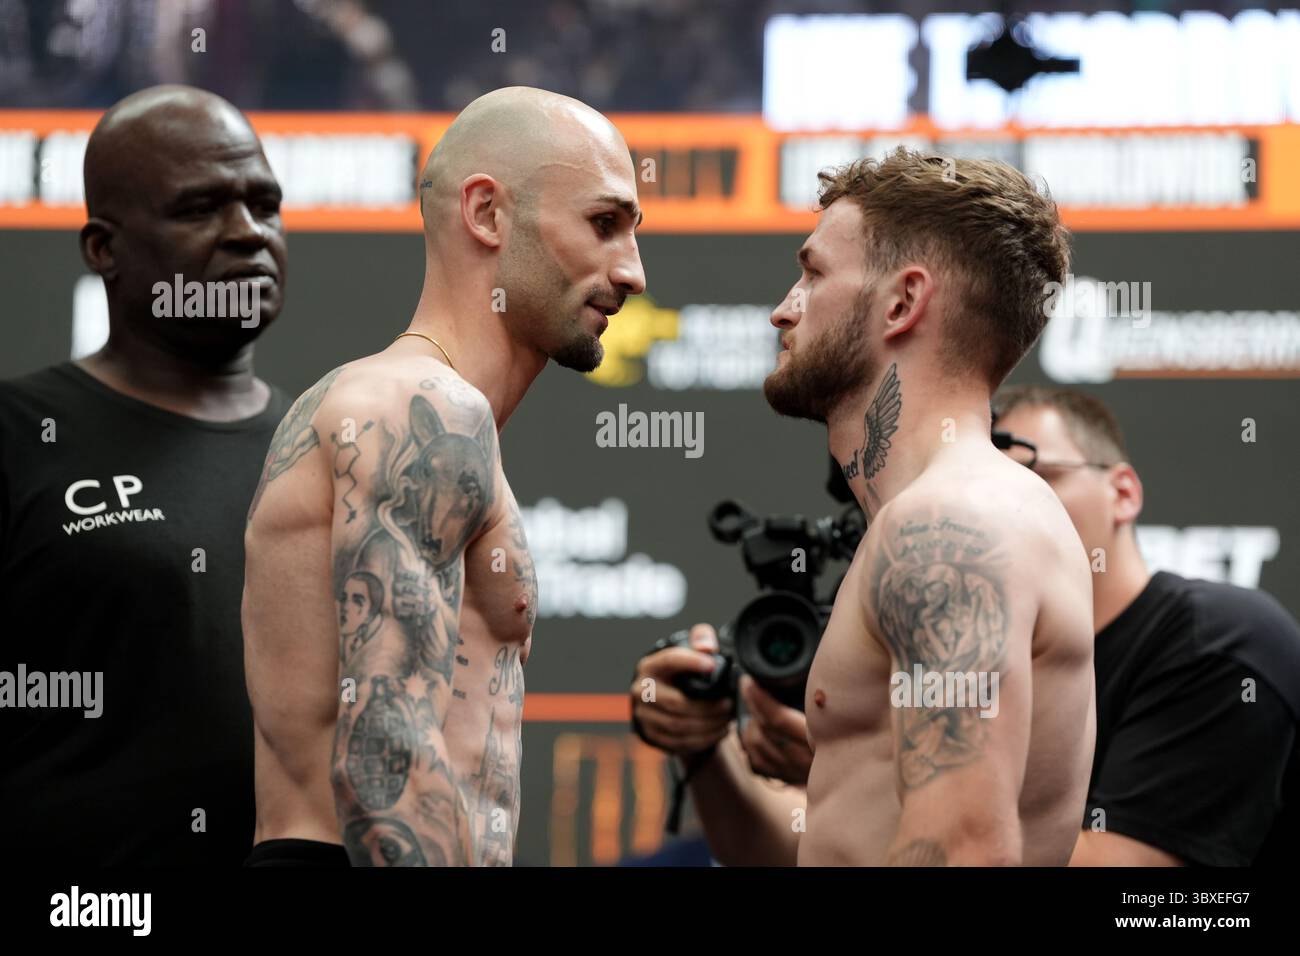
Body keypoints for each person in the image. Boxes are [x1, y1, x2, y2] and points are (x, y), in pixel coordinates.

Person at [633, 148, 1095, 865]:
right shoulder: (945, 516)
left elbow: (962, 849)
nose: (781, 309)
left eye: (813, 273)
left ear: (903, 302)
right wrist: (707, 748)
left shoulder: (949, 528)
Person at [242, 86, 646, 867]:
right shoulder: (420, 407)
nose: (631, 271)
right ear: (487, 214)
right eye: (604, 224)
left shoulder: (424, 412)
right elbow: (387, 753)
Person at [0, 85, 290, 865]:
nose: (247, 233)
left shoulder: (334, 446)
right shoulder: (16, 436)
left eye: (265, 204)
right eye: (201, 209)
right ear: (104, 248)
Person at [994, 385, 1300, 866]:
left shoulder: (1223, 641)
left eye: (1036, 477)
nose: (1003, 509)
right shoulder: (980, 668)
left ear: (1123, 493)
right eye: (987, 491)